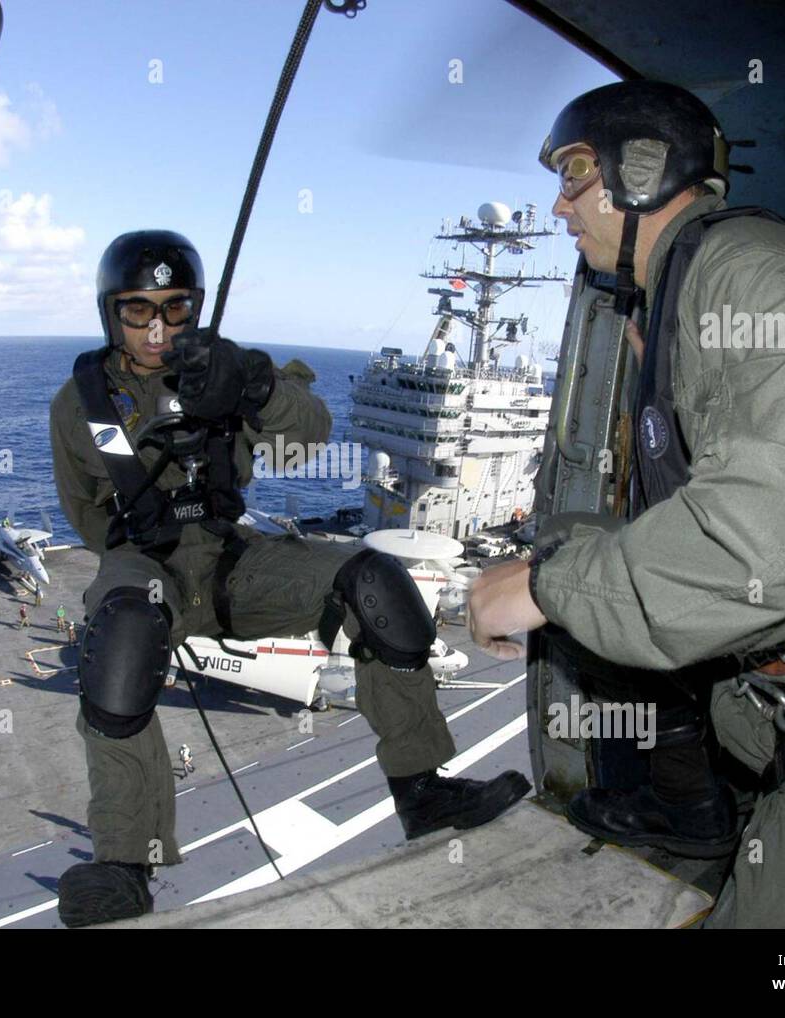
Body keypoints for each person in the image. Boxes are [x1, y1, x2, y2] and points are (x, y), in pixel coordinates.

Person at [467, 80, 785, 927]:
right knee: (572, 539)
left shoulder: (752, 274)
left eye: (574, 173)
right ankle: (685, 808)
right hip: (772, 685)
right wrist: (558, 567)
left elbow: (780, 535)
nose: (557, 204)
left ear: (644, 169)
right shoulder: (692, 283)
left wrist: (546, 591)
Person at [49, 229, 532, 925]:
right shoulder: (80, 403)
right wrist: (142, 559)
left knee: (377, 583)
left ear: (196, 307)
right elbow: (86, 513)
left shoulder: (229, 370)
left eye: (175, 308)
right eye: (137, 311)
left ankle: (424, 792)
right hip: (145, 562)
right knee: (123, 635)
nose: (158, 327)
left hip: (232, 560)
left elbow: (306, 436)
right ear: (110, 313)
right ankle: (127, 864)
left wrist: (254, 384)